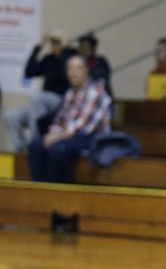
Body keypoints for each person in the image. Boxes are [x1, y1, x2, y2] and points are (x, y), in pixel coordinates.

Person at [27, 55, 112, 184]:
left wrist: (57, 136)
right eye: (70, 69)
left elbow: (84, 126)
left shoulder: (96, 91)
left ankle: (59, 192)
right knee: (35, 146)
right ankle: (40, 190)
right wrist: (52, 133)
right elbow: (59, 119)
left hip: (93, 139)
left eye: (78, 68)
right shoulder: (70, 93)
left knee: (58, 148)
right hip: (69, 136)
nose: (73, 73)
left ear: (86, 71)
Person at [3, 29, 75, 153]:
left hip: (62, 101)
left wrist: (65, 51)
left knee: (37, 97)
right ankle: (21, 150)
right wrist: (38, 47)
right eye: (52, 43)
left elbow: (66, 76)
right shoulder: (49, 59)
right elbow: (29, 71)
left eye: (58, 43)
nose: (54, 46)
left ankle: (36, 144)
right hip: (43, 103)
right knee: (10, 116)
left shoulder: (70, 58)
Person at [76, 32, 112, 100]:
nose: (83, 50)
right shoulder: (76, 62)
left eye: (87, 47)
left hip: (99, 98)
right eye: (82, 47)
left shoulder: (100, 62)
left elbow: (101, 81)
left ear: (93, 49)